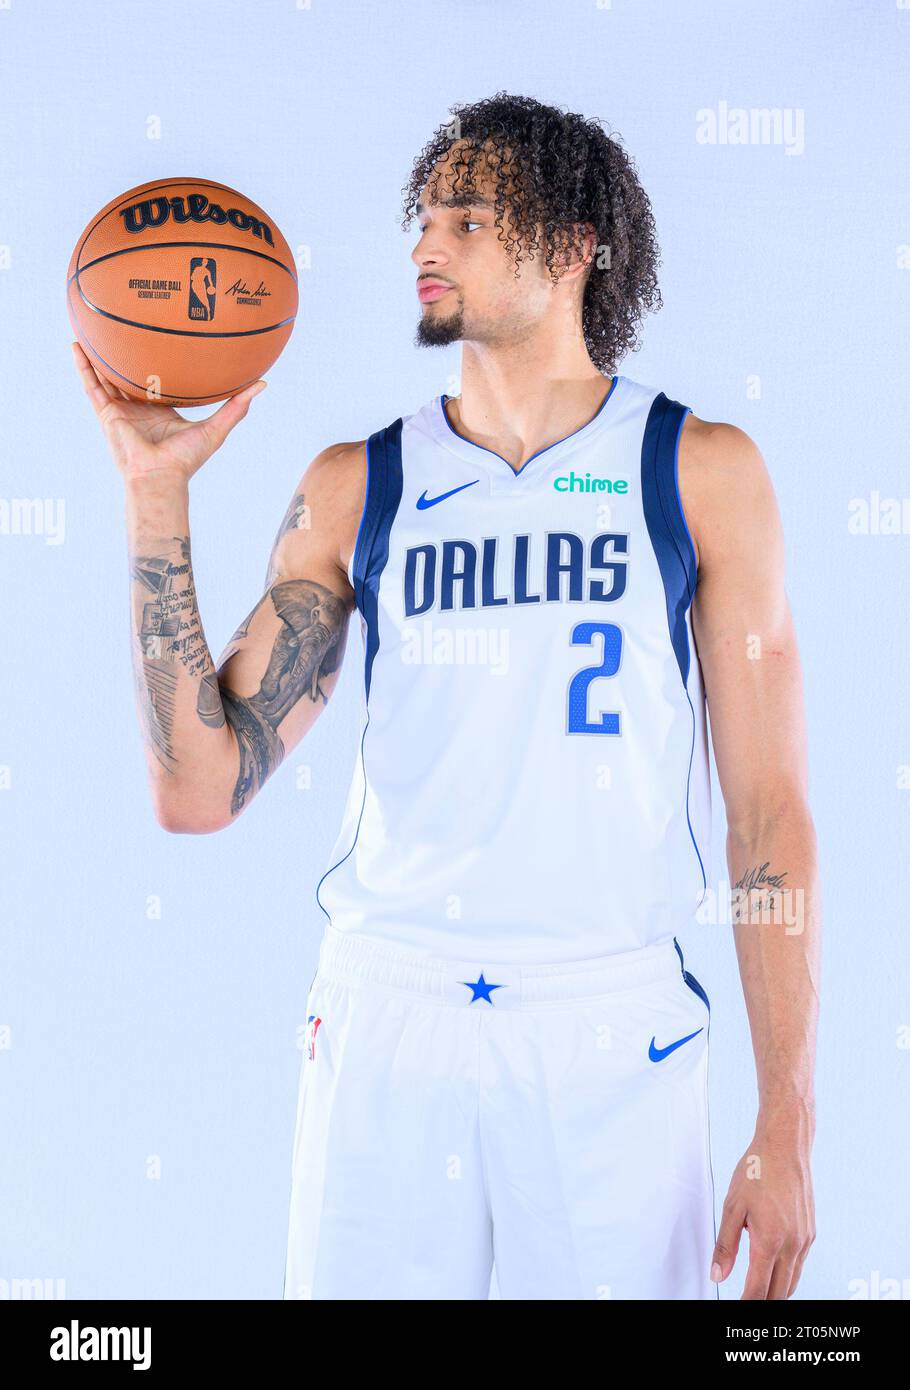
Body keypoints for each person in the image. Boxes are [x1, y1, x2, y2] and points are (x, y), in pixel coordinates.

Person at [73, 92, 819, 1301]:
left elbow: (769, 822)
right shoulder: (357, 485)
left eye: (469, 219)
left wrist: (786, 1121)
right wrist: (156, 498)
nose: (427, 244)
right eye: (424, 218)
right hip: (390, 1017)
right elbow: (197, 789)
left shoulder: (696, 471)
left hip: (608, 1026)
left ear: (576, 242)